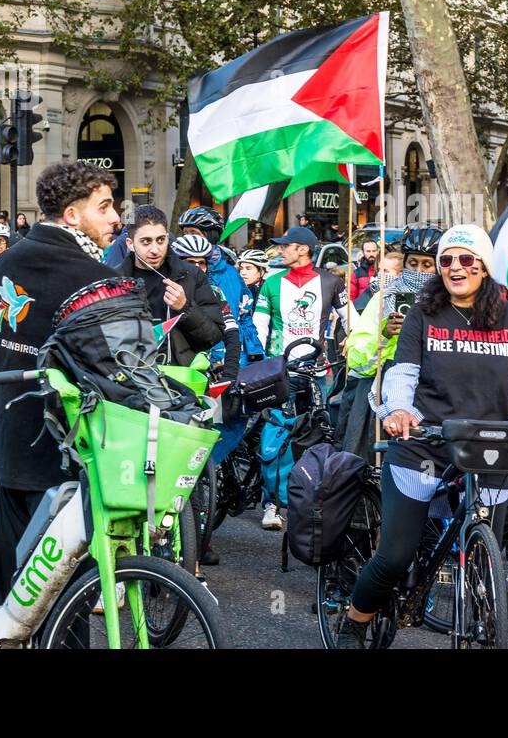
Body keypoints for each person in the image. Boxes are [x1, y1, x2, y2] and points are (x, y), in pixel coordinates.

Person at [333, 224, 508, 647]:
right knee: (395, 556)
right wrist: (399, 410)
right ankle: (354, 620)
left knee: (484, 553)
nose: (454, 267)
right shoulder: (423, 312)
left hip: (486, 446)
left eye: (465, 259)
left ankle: (480, 615)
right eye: (447, 260)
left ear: (483, 266)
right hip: (425, 442)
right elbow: (403, 372)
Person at [0, 161, 122, 593]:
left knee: (15, 596)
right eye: (105, 207)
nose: (116, 218)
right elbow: (117, 371)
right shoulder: (94, 277)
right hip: (61, 456)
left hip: (7, 441)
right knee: (64, 598)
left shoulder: (7, 260)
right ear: (72, 216)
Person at [252, 224, 348, 530]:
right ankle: (272, 503)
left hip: (318, 372)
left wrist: (354, 345)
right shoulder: (271, 283)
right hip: (281, 372)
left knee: (318, 436)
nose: (280, 250)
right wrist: (261, 366)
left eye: (285, 246)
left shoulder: (331, 282)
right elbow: (259, 328)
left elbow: (353, 322)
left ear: (303, 249)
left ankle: (310, 499)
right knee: (276, 435)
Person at [343, 232, 437, 461]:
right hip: (384, 391)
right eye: (413, 263)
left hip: (434, 393)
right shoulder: (383, 298)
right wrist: (384, 335)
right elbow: (355, 358)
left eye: (427, 265)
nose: (419, 271)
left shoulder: (452, 302)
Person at [120, 206, 238, 371]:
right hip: (131, 378)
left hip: (180, 380)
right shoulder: (115, 280)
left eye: (160, 240)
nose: (155, 249)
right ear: (130, 244)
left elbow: (213, 336)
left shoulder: (191, 274)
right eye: (146, 241)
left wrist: (186, 308)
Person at [179, 207, 263, 364]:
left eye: (194, 233)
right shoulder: (177, 270)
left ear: (210, 236)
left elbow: (240, 317)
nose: (188, 238)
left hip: (228, 359)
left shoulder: (230, 274)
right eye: (185, 233)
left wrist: (254, 354)